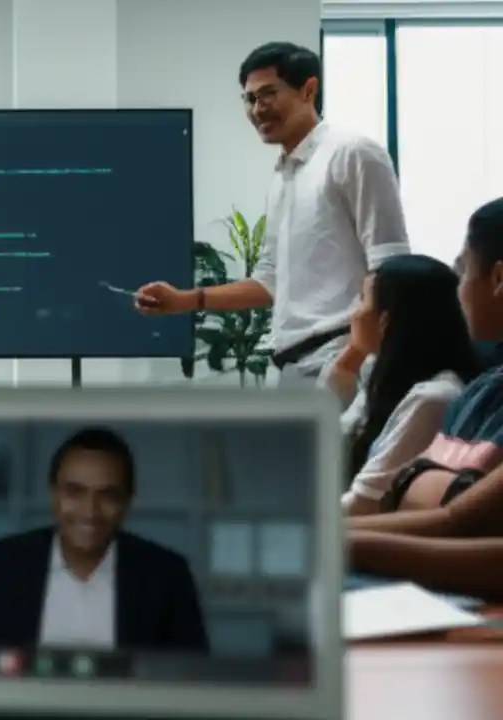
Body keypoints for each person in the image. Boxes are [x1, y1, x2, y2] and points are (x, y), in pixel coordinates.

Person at [134, 41, 409, 385]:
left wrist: (350, 360)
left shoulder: (353, 154)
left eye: (267, 95)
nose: (257, 109)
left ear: (309, 89)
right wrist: (186, 300)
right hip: (292, 365)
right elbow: (269, 279)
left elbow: (393, 270)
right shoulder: (283, 177)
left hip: (342, 355)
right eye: (249, 99)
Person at [348, 198, 503, 597]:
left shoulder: (443, 393)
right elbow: (413, 502)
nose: (459, 287)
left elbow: (454, 519)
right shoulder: (482, 391)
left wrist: (312, 542)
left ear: (498, 279)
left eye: (464, 266)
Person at [0, 428, 208, 651]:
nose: (90, 512)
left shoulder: (167, 575)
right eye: (75, 492)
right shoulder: (0, 563)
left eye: (108, 496)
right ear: (53, 494)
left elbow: (194, 684)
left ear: (127, 502)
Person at [328, 255, 480, 516]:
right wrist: (351, 356)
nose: (354, 313)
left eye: (363, 300)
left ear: (387, 321)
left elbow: (365, 504)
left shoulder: (433, 399)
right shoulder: (388, 380)